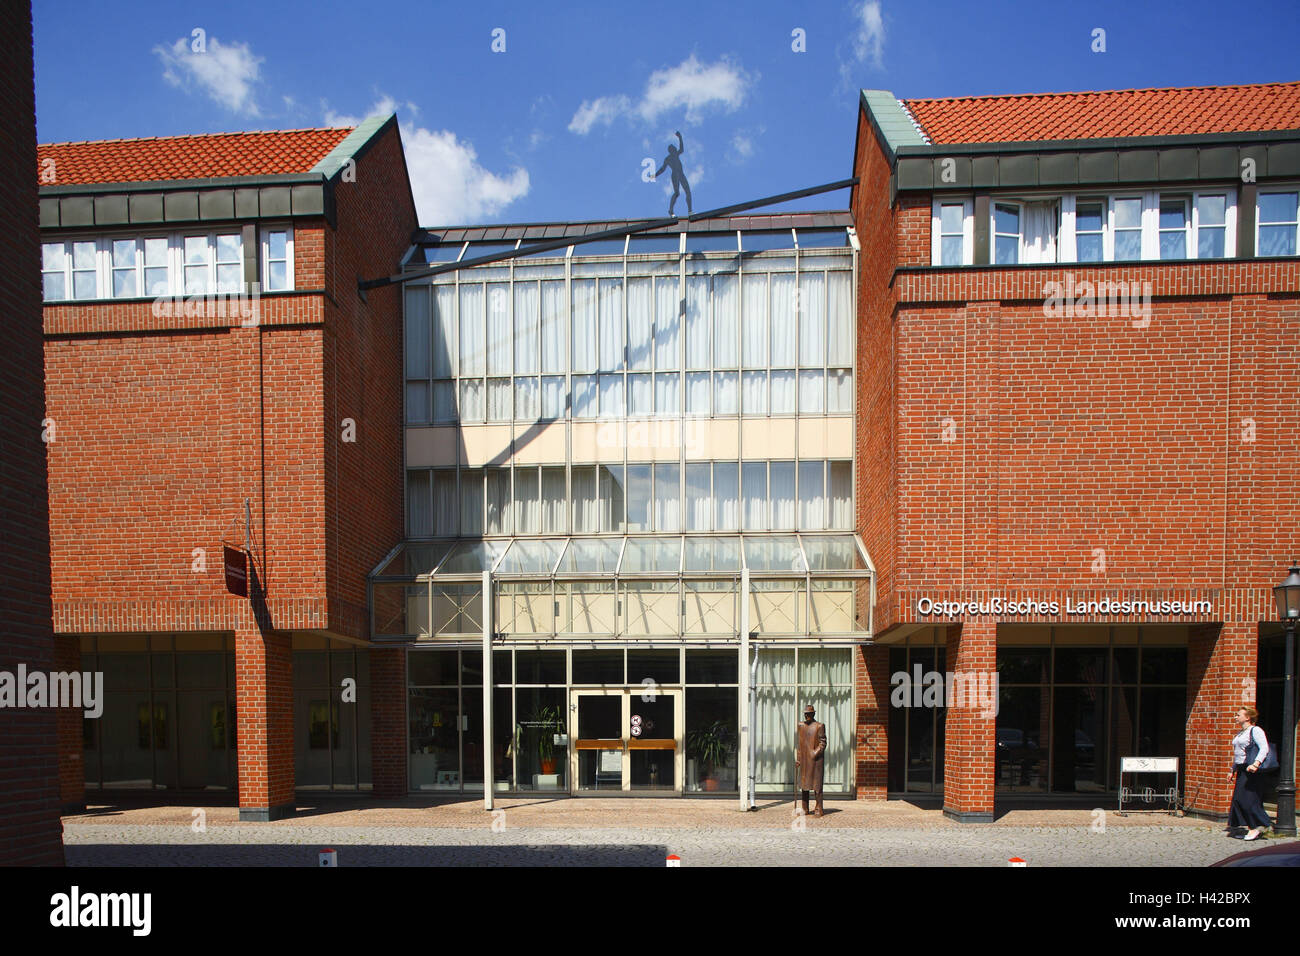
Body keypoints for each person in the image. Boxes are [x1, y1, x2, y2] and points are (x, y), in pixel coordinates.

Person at [1227, 706, 1273, 840]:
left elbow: (1264, 747)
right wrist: (1232, 770)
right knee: (1239, 799)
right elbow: (1238, 754)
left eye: (1238, 715)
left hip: (1251, 769)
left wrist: (1256, 763)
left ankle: (1255, 828)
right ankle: (1258, 826)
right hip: (1242, 769)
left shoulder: (1255, 730)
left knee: (1246, 800)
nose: (1235, 717)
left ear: (1247, 717)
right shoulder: (1241, 732)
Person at [795, 704, 827, 817]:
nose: (806, 716)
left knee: (817, 785)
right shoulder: (801, 726)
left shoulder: (819, 726)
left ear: (813, 714)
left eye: (809, 714)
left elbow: (823, 742)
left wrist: (815, 753)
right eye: (805, 714)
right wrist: (798, 759)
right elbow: (799, 744)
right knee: (804, 785)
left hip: (816, 761)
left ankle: (819, 807)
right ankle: (804, 808)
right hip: (804, 760)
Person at [654, 131, 692, 218]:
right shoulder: (668, 158)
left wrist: (680, 137)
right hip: (675, 175)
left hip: (681, 174)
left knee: (688, 191)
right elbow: (662, 169)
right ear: (671, 151)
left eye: (674, 148)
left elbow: (682, 149)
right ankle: (671, 210)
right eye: (673, 149)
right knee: (677, 193)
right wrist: (654, 175)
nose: (675, 149)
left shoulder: (676, 154)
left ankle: (690, 211)